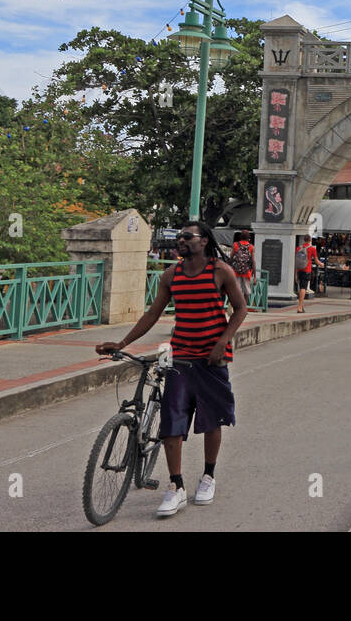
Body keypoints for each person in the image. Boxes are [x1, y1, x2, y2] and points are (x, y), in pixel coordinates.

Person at [96, 220, 248, 518]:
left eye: (187, 237)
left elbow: (240, 308)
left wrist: (222, 342)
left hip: (212, 359)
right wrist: (122, 342)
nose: (180, 240)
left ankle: (208, 476)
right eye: (179, 237)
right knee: (172, 423)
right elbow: (153, 313)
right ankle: (176, 485)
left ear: (204, 241)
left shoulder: (220, 270)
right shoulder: (171, 274)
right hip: (180, 358)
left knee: (211, 419)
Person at [229, 231, 255, 304]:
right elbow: (253, 262)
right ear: (249, 238)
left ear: (240, 237)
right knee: (246, 291)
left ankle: (236, 306)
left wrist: (228, 268)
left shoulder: (236, 245)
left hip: (236, 272)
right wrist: (255, 276)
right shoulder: (251, 247)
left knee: (236, 290)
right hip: (247, 272)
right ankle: (244, 308)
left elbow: (231, 258)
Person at [294, 235, 318, 314]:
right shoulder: (312, 249)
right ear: (310, 240)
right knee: (303, 288)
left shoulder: (298, 248)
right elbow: (316, 261)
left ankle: (301, 306)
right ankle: (300, 307)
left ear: (304, 240)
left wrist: (296, 273)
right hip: (307, 270)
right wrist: (321, 264)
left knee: (301, 287)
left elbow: (296, 261)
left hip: (299, 269)